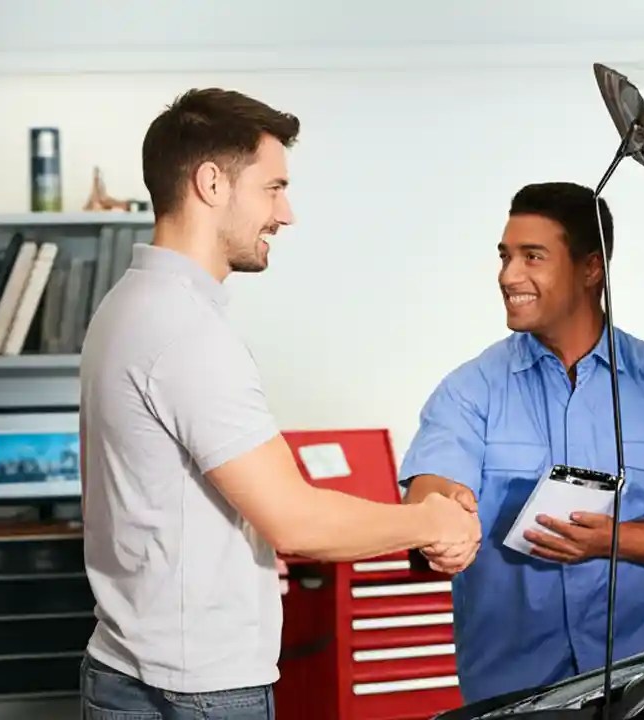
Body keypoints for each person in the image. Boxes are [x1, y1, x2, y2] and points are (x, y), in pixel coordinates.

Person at [77, 88, 481, 718]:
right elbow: (297, 521)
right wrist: (433, 520)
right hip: (200, 689)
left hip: (127, 664)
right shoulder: (186, 332)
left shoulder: (124, 307)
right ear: (212, 183)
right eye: (273, 187)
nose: (286, 213)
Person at [399, 181, 644, 703]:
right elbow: (432, 487)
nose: (508, 275)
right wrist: (439, 513)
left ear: (591, 269)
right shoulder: (470, 390)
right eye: (505, 256)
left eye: (532, 257)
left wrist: (612, 539)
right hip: (514, 694)